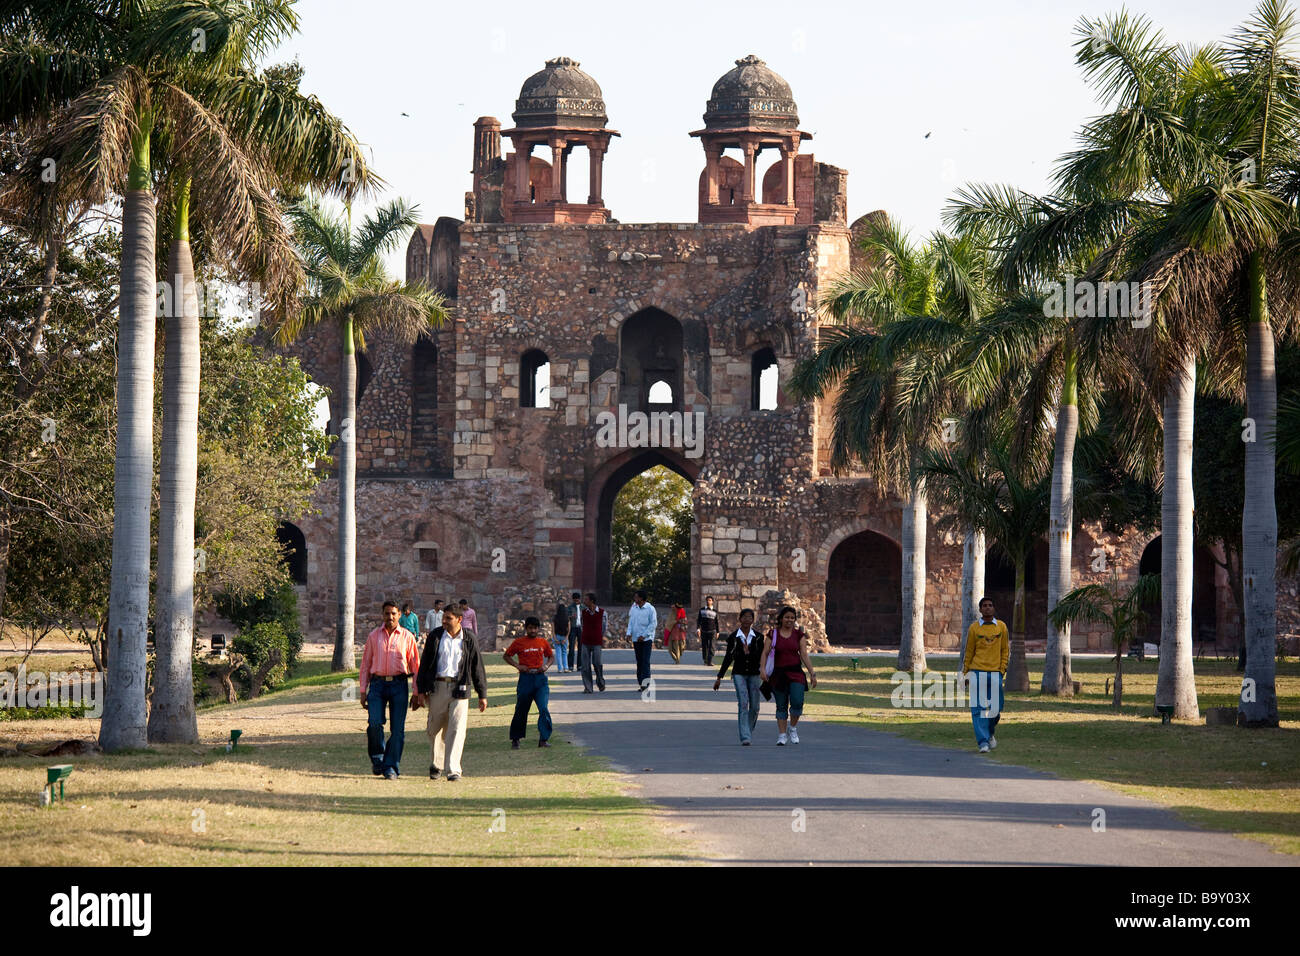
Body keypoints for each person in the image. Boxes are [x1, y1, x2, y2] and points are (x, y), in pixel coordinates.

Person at [415, 603, 488, 781]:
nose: (444, 621)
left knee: (456, 728)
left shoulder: (469, 638)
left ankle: (453, 769)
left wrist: (482, 694)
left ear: (459, 619)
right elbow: (424, 665)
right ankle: (436, 763)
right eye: (444, 618)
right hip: (437, 687)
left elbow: (477, 666)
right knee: (434, 728)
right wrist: (421, 690)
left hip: (460, 687)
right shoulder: (435, 636)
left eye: (448, 618)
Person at [359, 601, 421, 779]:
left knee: (398, 730)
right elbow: (365, 665)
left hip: (399, 685)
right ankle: (378, 758)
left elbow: (416, 667)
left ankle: (391, 766)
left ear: (399, 615)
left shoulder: (408, 637)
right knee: (374, 723)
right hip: (377, 685)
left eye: (394, 613)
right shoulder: (373, 637)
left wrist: (416, 693)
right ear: (382, 615)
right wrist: (363, 690)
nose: (390, 617)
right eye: (387, 614)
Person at [760, 605, 817, 745]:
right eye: (787, 617)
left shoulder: (798, 635)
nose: (789, 620)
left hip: (795, 672)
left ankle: (792, 727)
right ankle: (782, 735)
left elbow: (804, 654)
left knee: (797, 701)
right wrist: (762, 669)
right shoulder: (772, 634)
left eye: (792, 618)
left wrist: (812, 673)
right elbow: (765, 652)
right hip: (778, 674)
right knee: (781, 705)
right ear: (781, 619)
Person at [961, 596, 1009, 753]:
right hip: (976, 672)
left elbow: (1005, 650)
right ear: (980, 610)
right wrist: (965, 674)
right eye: (984, 606)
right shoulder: (974, 628)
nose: (987, 607)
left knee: (996, 708)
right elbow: (969, 652)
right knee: (978, 709)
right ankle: (983, 742)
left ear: (994, 609)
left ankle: (990, 733)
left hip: (995, 673)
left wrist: (1002, 670)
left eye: (990, 605)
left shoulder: (1001, 627)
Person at [712, 608, 764, 745]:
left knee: (755, 707)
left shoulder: (759, 637)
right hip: (739, 673)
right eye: (744, 617)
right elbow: (728, 657)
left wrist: (750, 653)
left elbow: (762, 657)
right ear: (740, 619)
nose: (747, 620)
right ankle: (745, 736)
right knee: (743, 703)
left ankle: (748, 729)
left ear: (753, 620)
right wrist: (719, 677)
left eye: (750, 617)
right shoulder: (734, 637)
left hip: (754, 674)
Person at [504, 616, 555, 748]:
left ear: (538, 629)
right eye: (530, 628)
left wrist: (546, 666)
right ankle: (516, 739)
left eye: (535, 628)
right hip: (526, 678)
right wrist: (517, 665)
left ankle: (543, 739)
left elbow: (551, 656)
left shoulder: (543, 642)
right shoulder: (519, 642)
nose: (533, 630)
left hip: (540, 678)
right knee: (521, 709)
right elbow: (506, 656)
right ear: (526, 628)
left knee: (543, 708)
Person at [626, 589, 657, 690]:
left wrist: (644, 635)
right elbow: (631, 621)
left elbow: (653, 624)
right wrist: (628, 633)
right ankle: (641, 683)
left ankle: (646, 684)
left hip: (646, 639)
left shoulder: (650, 608)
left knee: (645, 661)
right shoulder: (633, 608)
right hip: (636, 638)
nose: (634, 599)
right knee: (639, 661)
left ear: (641, 598)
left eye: (636, 597)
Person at [578, 592, 607, 693]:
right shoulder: (583, 612)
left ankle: (600, 682)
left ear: (592, 601)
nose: (584, 601)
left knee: (597, 663)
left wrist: (599, 635)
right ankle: (588, 687)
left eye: (586, 599)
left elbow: (604, 627)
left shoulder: (602, 612)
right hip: (585, 641)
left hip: (597, 642)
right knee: (585, 666)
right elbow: (582, 625)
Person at [696, 596, 719, 666]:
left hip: (713, 631)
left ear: (712, 602)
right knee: (704, 646)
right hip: (704, 631)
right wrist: (698, 629)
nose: (708, 601)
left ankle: (710, 661)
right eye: (707, 600)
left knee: (712, 646)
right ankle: (705, 660)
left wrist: (718, 632)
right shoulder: (702, 610)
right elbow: (699, 620)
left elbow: (717, 622)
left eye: (710, 600)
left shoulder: (715, 611)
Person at [551, 602, 571, 673]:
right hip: (564, 637)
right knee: (564, 653)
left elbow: (552, 630)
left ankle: (560, 669)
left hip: (556, 636)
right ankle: (566, 668)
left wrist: (555, 638)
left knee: (558, 653)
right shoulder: (567, 618)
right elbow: (569, 629)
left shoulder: (554, 618)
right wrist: (566, 638)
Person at [567, 592, 583, 672]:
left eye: (578, 600)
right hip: (573, 628)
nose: (576, 601)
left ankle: (579, 665)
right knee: (571, 647)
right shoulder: (570, 607)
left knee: (581, 648)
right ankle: (570, 665)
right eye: (575, 600)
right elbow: (566, 617)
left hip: (581, 628)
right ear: (573, 600)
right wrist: (571, 616)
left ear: (580, 599)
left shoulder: (583, 607)